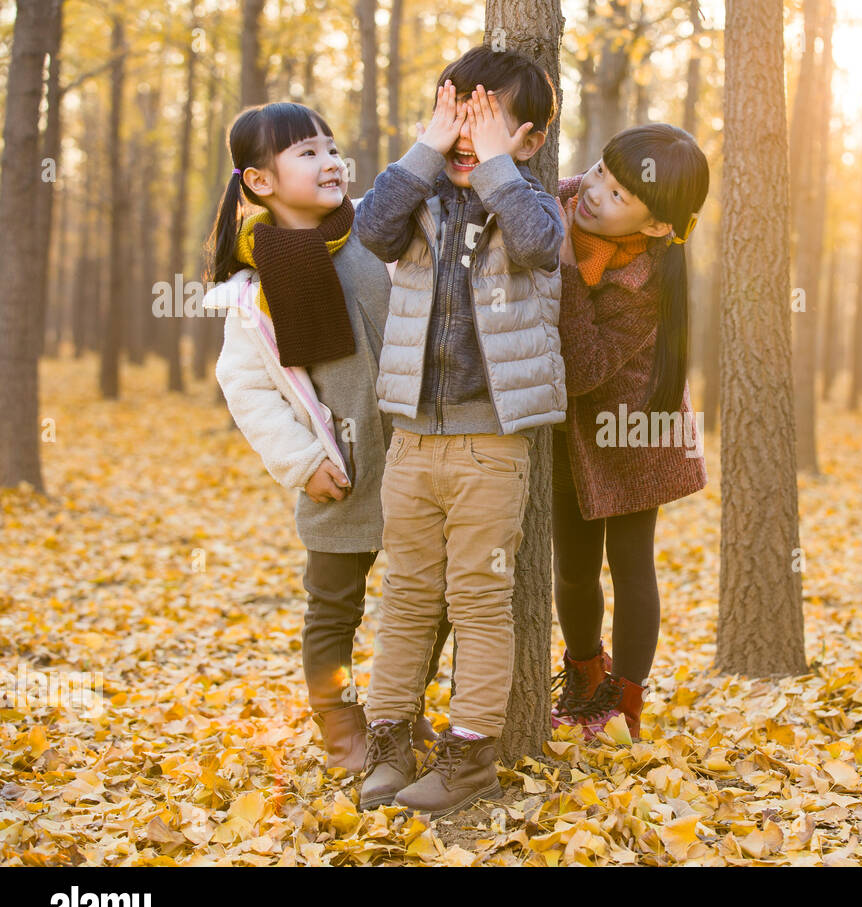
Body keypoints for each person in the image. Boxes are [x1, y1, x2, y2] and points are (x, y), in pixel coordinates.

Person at [201, 102, 448, 773]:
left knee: (436, 595)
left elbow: (416, 182)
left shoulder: (377, 228)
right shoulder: (256, 289)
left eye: (331, 147)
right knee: (334, 607)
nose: (329, 161)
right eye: (306, 153)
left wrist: (442, 132)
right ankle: (340, 724)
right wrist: (303, 461)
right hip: (342, 469)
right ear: (260, 182)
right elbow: (247, 389)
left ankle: (404, 709)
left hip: (418, 453)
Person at [352, 45, 566, 817]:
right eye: (455, 113)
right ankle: (387, 743)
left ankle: (470, 757)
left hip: (490, 445)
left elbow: (542, 248)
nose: (466, 135)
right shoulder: (418, 195)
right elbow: (369, 230)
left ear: (532, 140)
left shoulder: (533, 203)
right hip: (412, 438)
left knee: (480, 600)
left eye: (484, 120)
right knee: (406, 597)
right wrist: (426, 148)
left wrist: (500, 168)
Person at [550, 124, 710, 742]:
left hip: (633, 431)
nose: (595, 192)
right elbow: (547, 185)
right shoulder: (572, 200)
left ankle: (625, 699)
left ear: (654, 227)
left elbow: (585, 369)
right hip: (575, 434)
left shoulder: (645, 285)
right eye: (599, 172)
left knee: (630, 562)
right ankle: (585, 673)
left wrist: (566, 269)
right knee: (573, 565)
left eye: (618, 194)